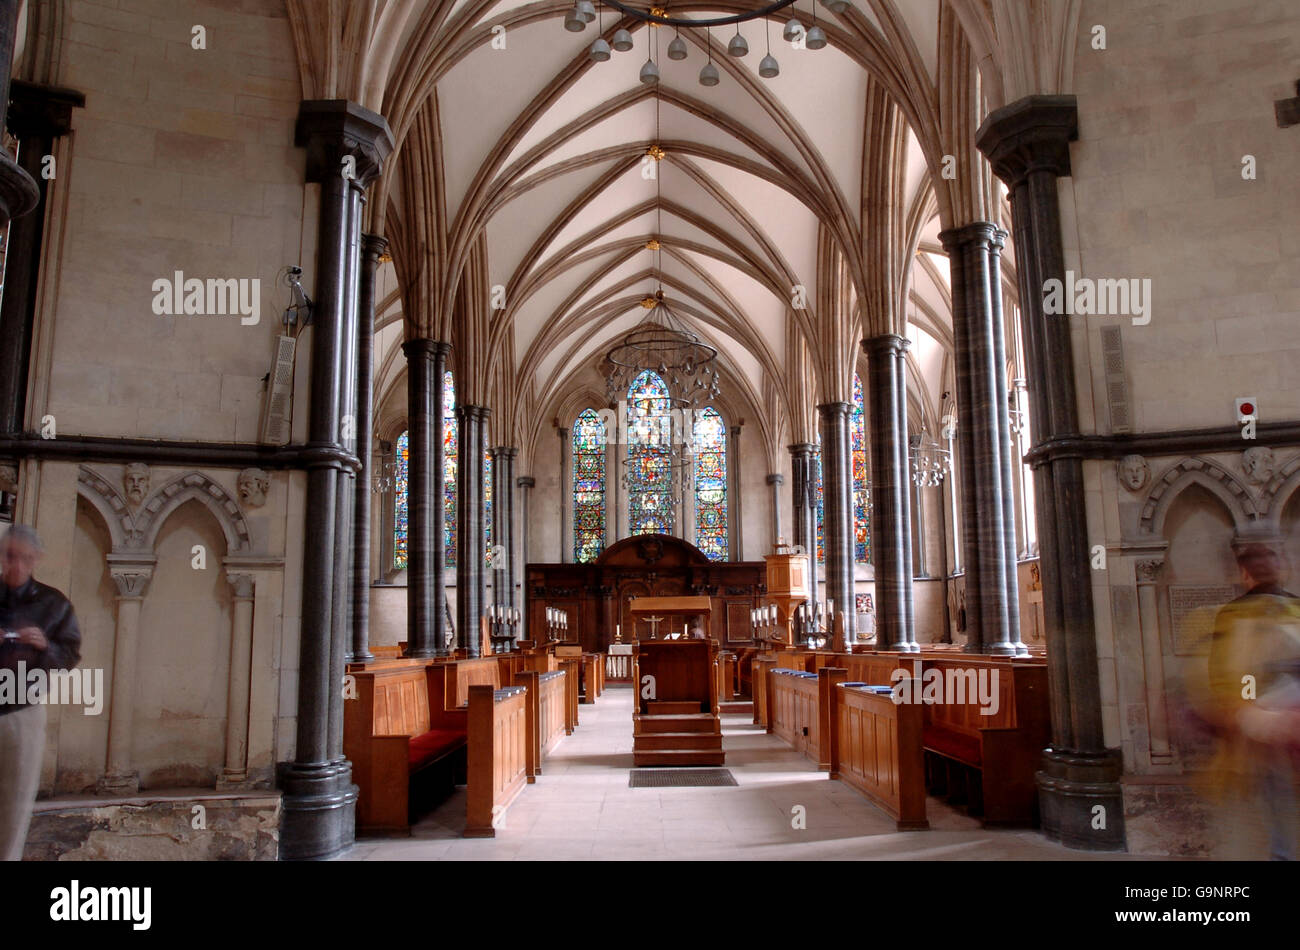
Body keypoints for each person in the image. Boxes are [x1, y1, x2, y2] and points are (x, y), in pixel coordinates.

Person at [1204, 540, 1300, 860]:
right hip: (1283, 720)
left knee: (1274, 802)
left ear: (1244, 574)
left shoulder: (1236, 614)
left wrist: (1250, 707)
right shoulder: (1295, 608)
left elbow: (1239, 670)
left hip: (1267, 724)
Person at [0, 524, 82, 861]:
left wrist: (44, 646)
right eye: (10, 556)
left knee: (15, 805)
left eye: (26, 559)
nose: (17, 566)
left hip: (23, 711)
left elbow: (69, 657)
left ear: (37, 560)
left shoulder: (54, 604)